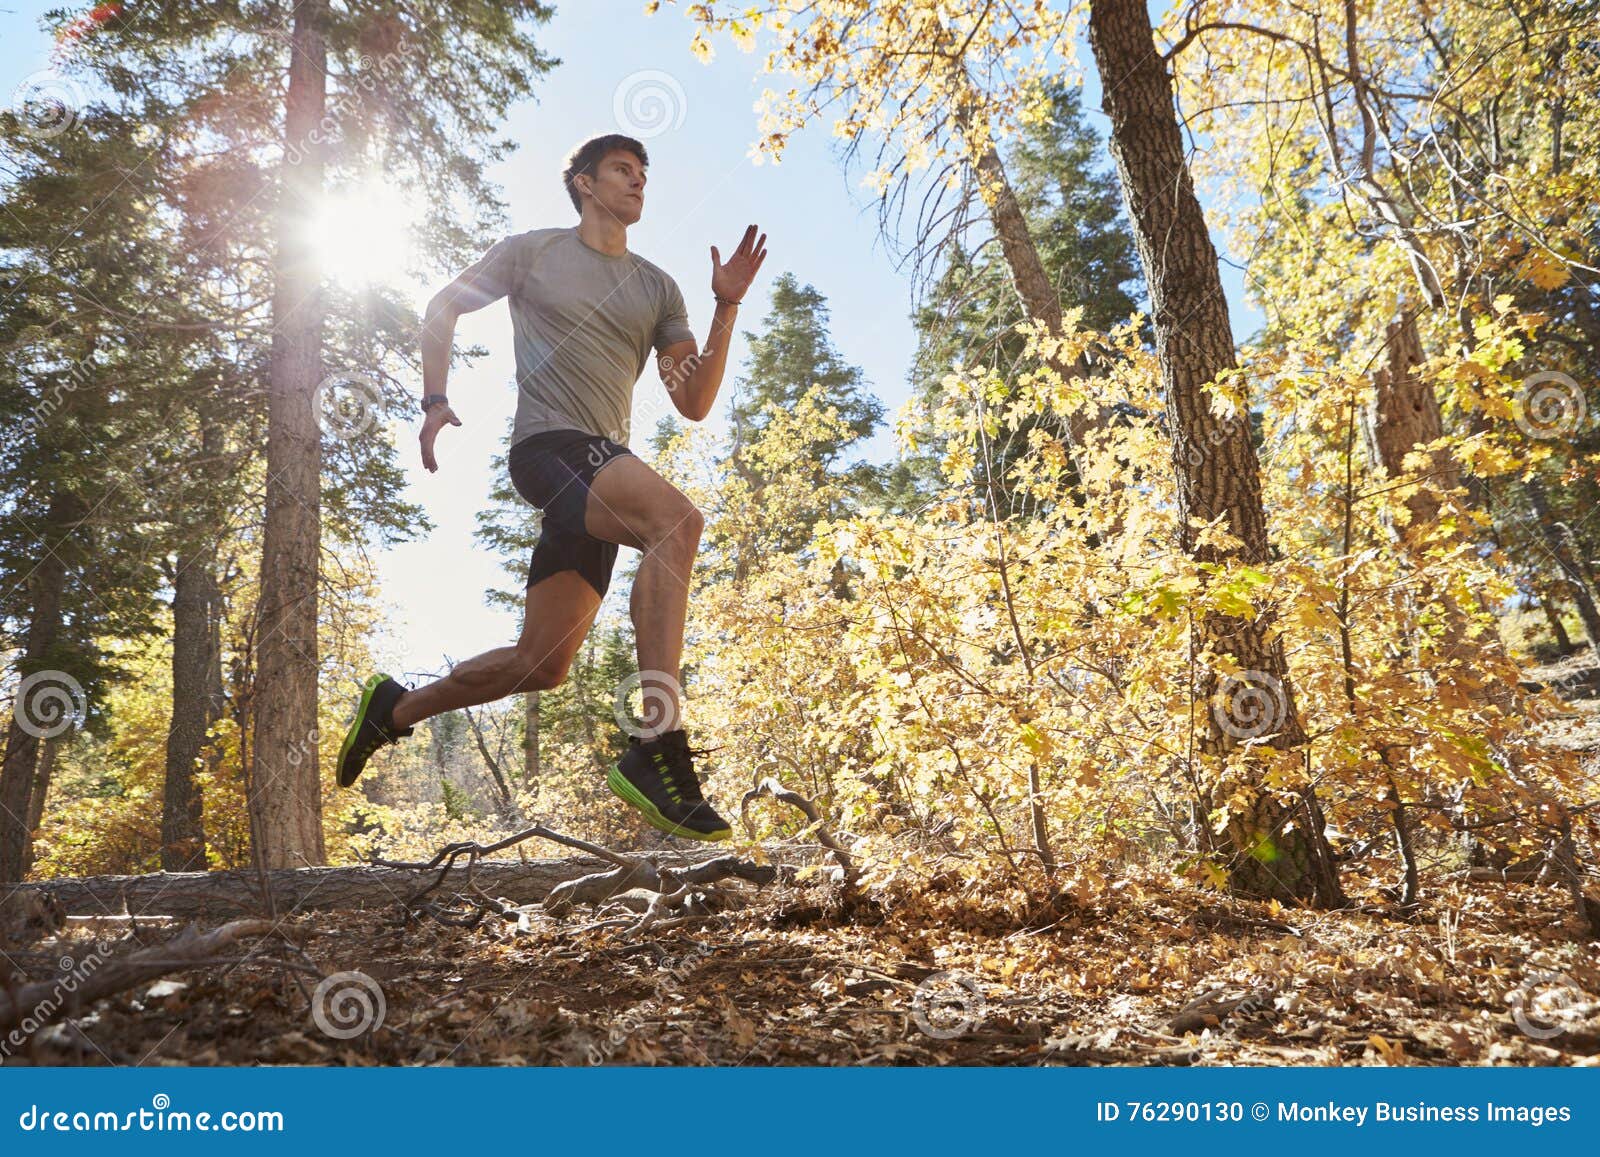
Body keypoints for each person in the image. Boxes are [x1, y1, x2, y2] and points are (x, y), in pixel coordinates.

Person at [334, 133, 767, 841]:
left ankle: (395, 708)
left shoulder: (658, 286)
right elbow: (440, 307)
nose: (638, 183)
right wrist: (434, 398)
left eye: (643, 175)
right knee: (677, 524)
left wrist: (725, 310)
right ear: (584, 183)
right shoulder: (531, 253)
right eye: (622, 171)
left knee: (541, 663)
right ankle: (659, 742)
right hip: (549, 450)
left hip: (600, 469)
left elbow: (692, 402)